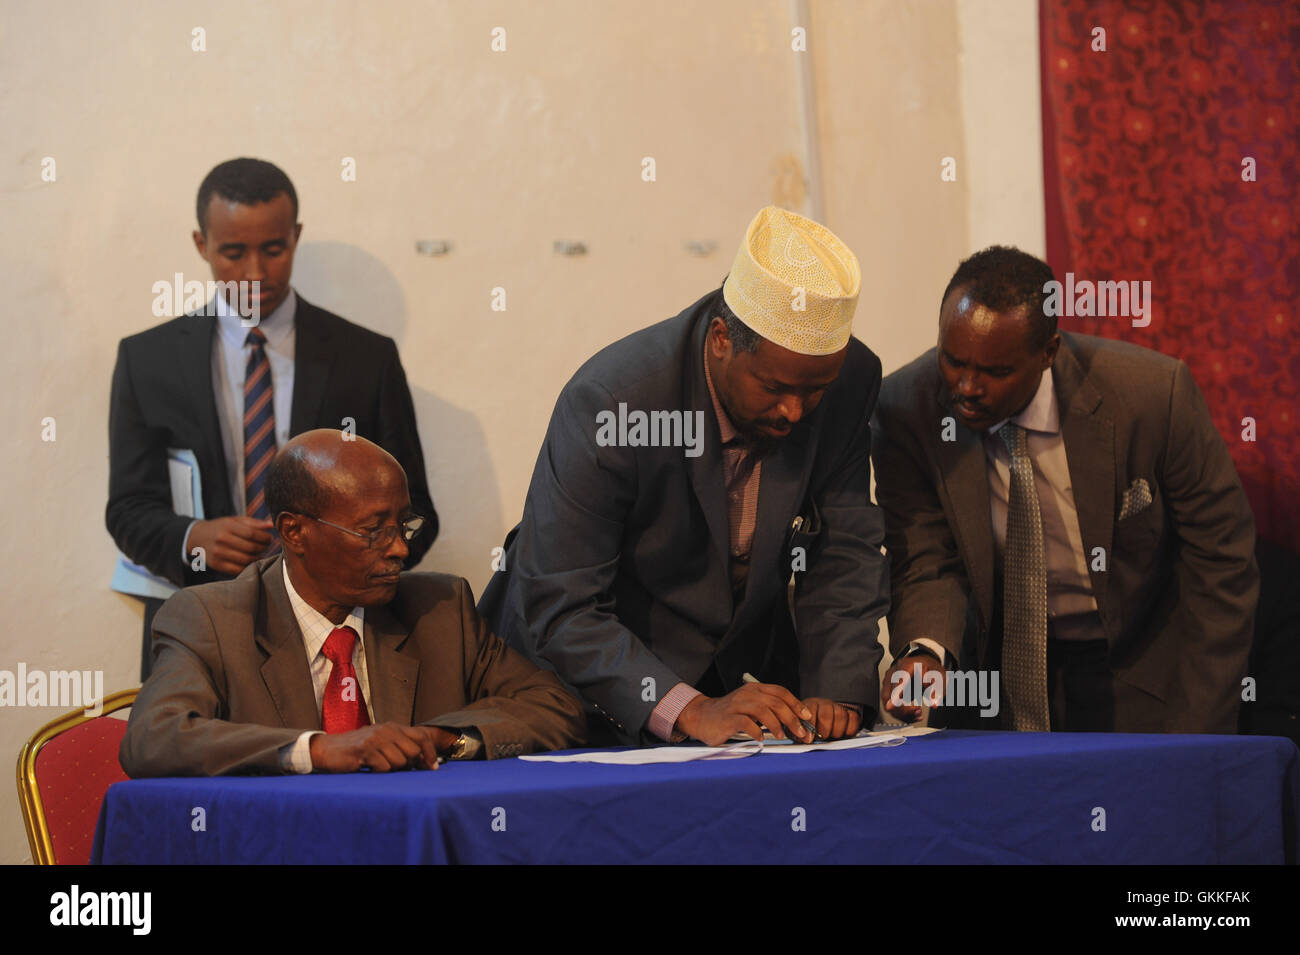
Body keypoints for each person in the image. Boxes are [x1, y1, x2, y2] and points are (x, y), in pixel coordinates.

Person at [478, 206, 890, 746]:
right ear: (721, 338)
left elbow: (844, 551)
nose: (795, 410)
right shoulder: (615, 403)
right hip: (582, 700)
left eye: (813, 392)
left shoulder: (846, 381)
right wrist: (689, 709)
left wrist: (838, 693)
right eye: (774, 388)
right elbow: (563, 604)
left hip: (735, 695)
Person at [872, 245, 1258, 733]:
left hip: (1140, 669)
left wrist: (1199, 727)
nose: (967, 387)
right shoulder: (907, 409)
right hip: (995, 676)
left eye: (995, 372)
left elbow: (1221, 560)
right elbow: (926, 559)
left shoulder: (1154, 396)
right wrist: (925, 651)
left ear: (1047, 353)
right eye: (953, 360)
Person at [107, 157, 436, 679]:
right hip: (196, 628)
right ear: (201, 245)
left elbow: (417, 515)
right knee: (187, 761)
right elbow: (127, 508)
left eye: (274, 249)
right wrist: (192, 539)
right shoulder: (148, 361)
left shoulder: (366, 359)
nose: (255, 273)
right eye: (233, 253)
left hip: (342, 637)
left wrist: (336, 554)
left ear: (296, 236)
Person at [120, 431, 585, 777]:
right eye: (373, 531)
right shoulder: (211, 618)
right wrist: (319, 750)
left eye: (404, 525)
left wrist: (444, 738)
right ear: (294, 531)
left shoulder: (440, 608)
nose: (400, 548)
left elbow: (556, 708)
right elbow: (152, 738)